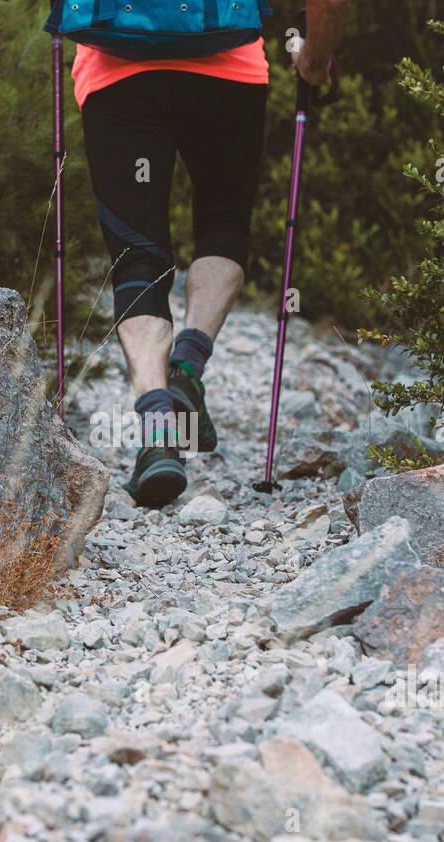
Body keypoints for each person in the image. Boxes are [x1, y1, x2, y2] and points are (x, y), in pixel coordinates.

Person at [71, 0, 349, 507]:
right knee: (223, 224)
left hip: (115, 69)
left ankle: (158, 433)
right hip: (227, 71)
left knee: (136, 256)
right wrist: (312, 58)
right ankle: (188, 368)